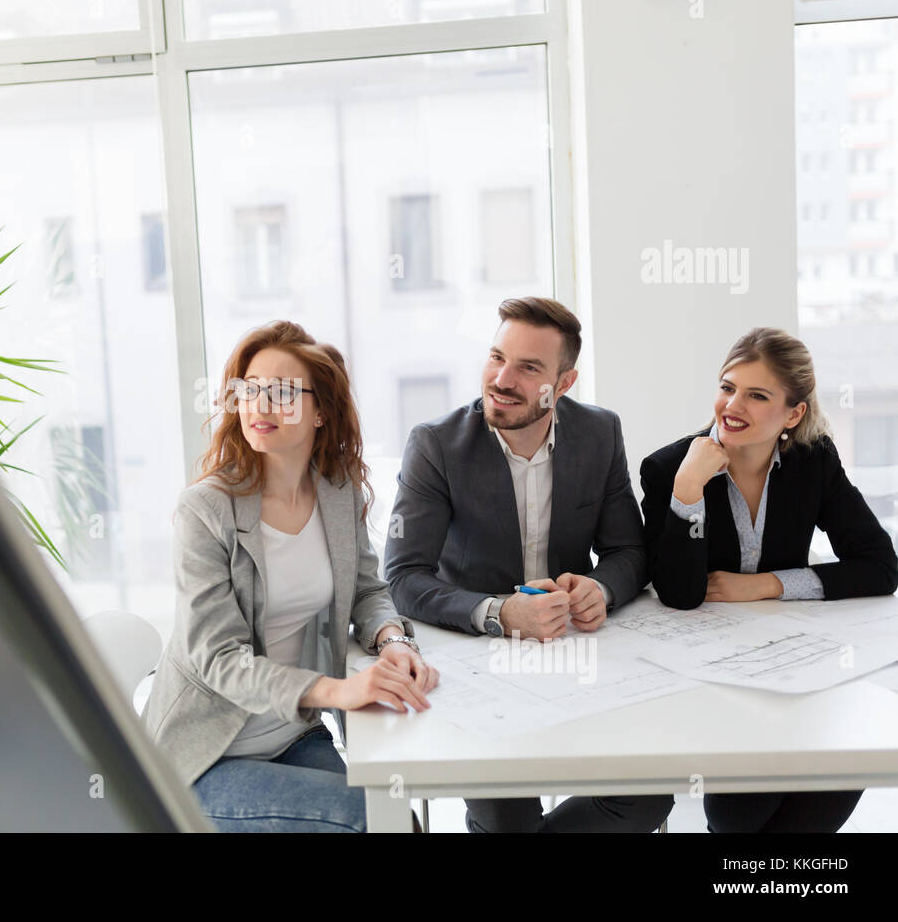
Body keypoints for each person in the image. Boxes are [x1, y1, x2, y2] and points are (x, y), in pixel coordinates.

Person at [385, 296, 671, 833]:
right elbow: (402, 576)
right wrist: (499, 612)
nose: (502, 378)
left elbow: (629, 552)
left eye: (528, 367)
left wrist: (599, 590)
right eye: (497, 357)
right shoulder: (436, 445)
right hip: (479, 660)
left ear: (563, 384)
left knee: (646, 796)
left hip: (580, 657)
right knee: (505, 815)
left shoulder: (599, 432)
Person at [142, 320, 440, 832]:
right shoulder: (205, 511)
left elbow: (367, 587)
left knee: (396, 819)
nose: (259, 406)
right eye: (249, 390)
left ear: (321, 411)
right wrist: (336, 690)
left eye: (281, 392)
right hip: (205, 761)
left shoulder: (336, 490)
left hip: (293, 735)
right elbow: (218, 659)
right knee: (377, 823)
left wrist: (393, 639)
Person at [640, 326, 897, 832]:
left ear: (793, 413)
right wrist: (689, 489)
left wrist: (767, 584)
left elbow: (880, 566)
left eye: (757, 395)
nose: (732, 405)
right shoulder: (670, 467)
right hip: (708, 674)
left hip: (796, 664)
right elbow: (681, 593)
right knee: (744, 813)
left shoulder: (813, 459)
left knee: (839, 773)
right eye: (727, 387)